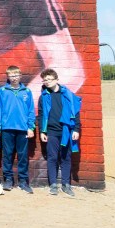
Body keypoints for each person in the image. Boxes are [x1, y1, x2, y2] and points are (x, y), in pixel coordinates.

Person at [38, 68, 82, 197]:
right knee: (52, 157)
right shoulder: (44, 97)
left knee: (66, 158)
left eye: (49, 79)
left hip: (66, 131)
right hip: (51, 131)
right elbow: (41, 115)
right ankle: (53, 185)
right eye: (45, 80)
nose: (47, 82)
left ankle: (66, 184)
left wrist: (76, 129)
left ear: (57, 79)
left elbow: (75, 112)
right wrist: (42, 131)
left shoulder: (68, 94)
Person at [0, 66, 36, 194]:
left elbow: (31, 111)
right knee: (7, 155)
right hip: (7, 128)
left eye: (16, 75)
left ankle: (23, 181)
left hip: (22, 129)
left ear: (20, 76)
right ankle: (8, 180)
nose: (14, 78)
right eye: (11, 75)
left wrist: (30, 127)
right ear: (8, 77)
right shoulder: (2, 91)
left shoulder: (27, 91)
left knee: (23, 156)